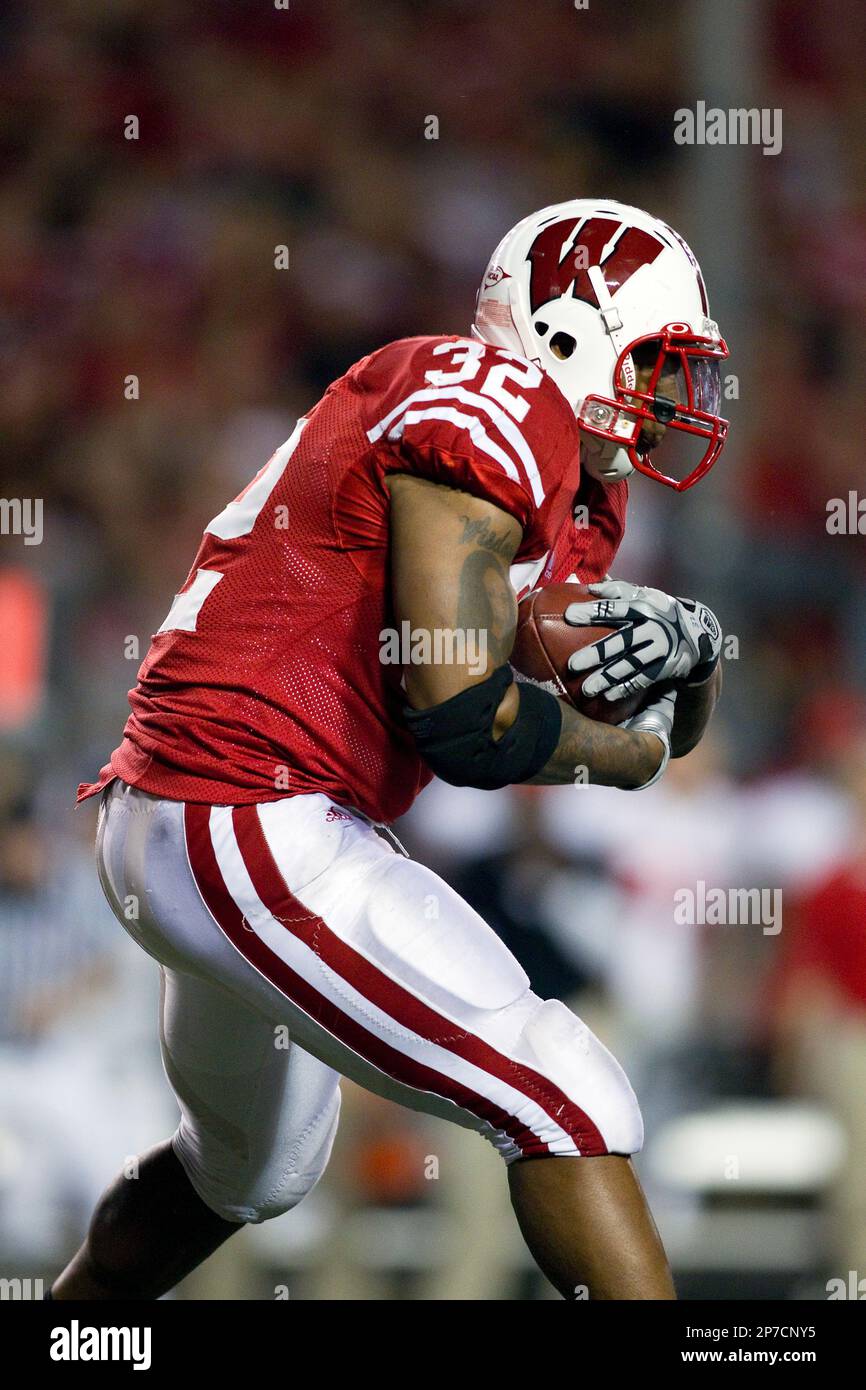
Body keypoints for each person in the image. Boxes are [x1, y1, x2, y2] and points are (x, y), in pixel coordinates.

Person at [54, 199, 728, 1301]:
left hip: (200, 816)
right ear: (565, 333)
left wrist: (689, 662)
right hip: (246, 812)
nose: (666, 401)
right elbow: (463, 717)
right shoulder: (491, 400)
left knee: (246, 1172)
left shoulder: (566, 480)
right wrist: (627, 760)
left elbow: (632, 719)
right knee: (562, 1091)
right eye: (654, 363)